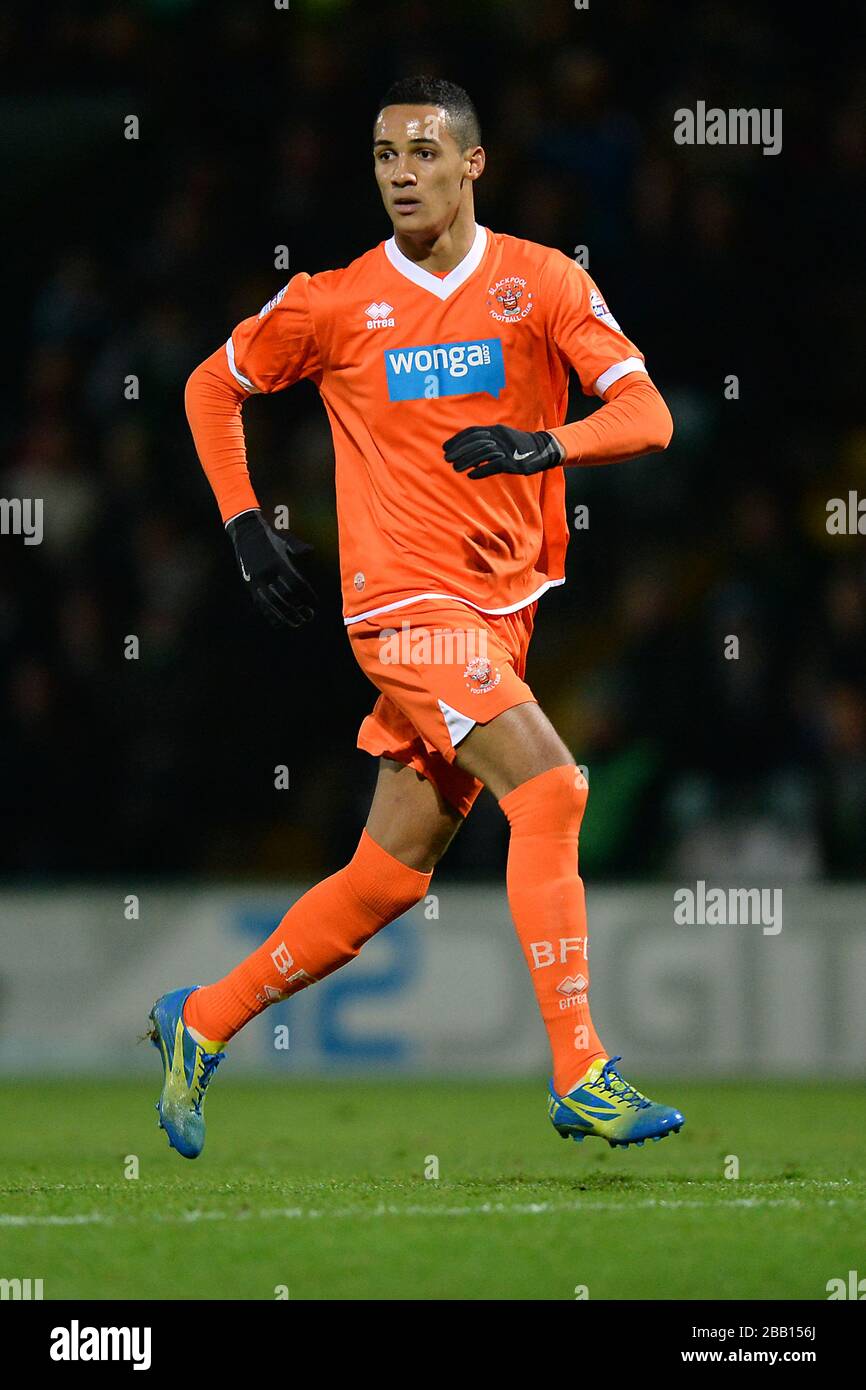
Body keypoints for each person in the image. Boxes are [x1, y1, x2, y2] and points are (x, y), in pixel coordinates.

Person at [148, 75, 684, 1159]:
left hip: (503, 610)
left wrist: (547, 445)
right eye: (387, 154)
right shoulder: (335, 302)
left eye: (425, 153)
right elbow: (213, 384)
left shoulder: (538, 283)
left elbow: (648, 415)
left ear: (472, 164)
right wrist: (246, 524)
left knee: (387, 874)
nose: (401, 172)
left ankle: (199, 1019)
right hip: (401, 608)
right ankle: (581, 1067)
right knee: (549, 786)